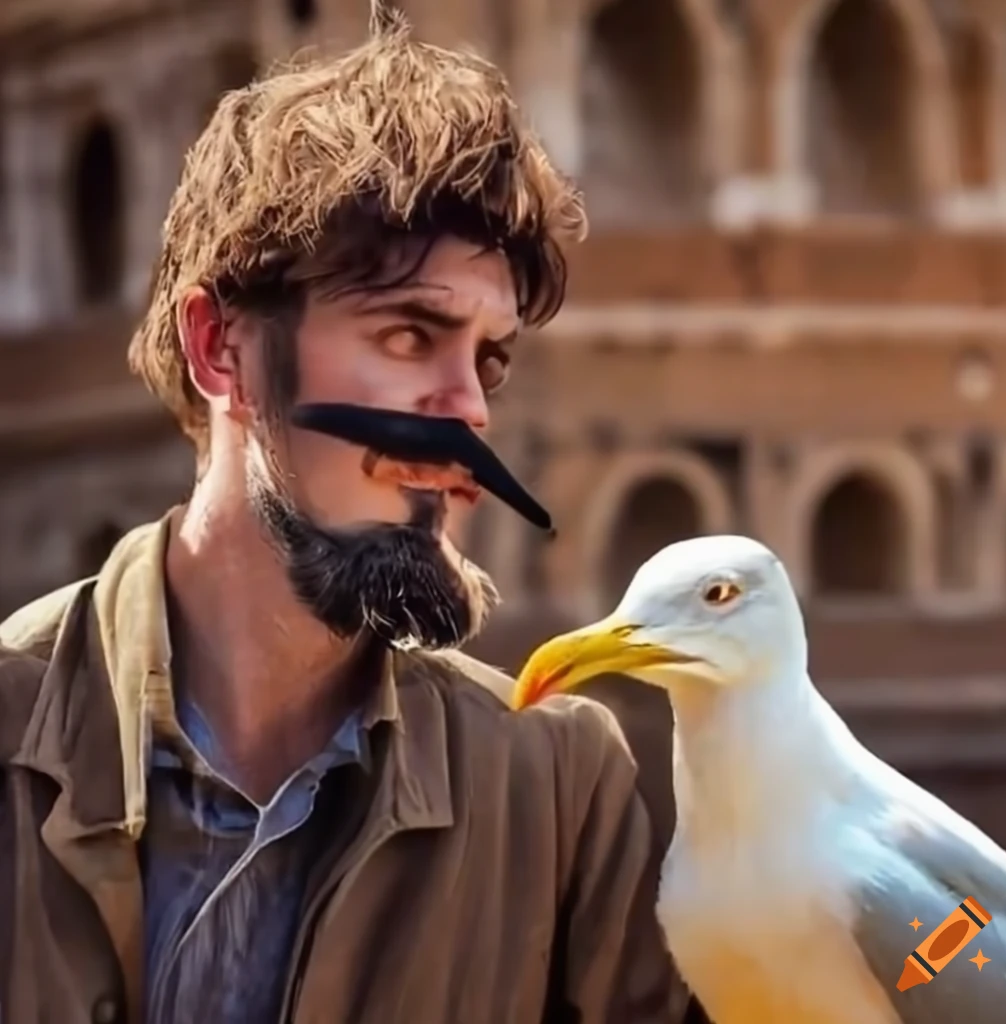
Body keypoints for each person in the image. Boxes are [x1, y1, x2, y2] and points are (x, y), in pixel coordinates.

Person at [0, 11, 696, 1024]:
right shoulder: (14, 732)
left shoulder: (553, 790)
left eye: (489, 360)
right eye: (409, 335)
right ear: (220, 349)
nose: (469, 409)